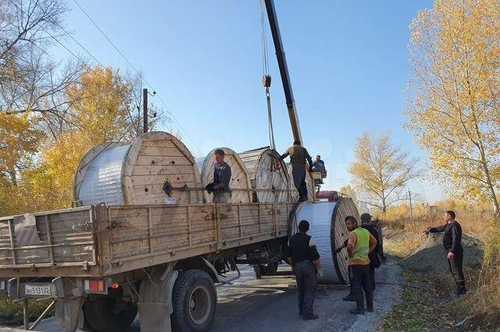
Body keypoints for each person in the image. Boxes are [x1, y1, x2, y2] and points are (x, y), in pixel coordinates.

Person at [426, 210, 467, 295]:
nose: (443, 217)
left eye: (445, 215)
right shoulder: (449, 225)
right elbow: (440, 228)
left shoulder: (455, 225)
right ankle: (459, 289)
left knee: (457, 270)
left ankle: (462, 290)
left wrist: (452, 251)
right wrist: (431, 230)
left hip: (455, 252)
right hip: (450, 251)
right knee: (453, 270)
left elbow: (456, 239)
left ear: (449, 216)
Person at [288, 220, 320, 320]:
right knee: (310, 289)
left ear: (298, 227)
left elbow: (289, 256)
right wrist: (319, 269)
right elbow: (315, 258)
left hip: (297, 266)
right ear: (308, 228)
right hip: (307, 266)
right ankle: (308, 314)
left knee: (301, 289)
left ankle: (301, 311)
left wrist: (293, 266)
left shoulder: (291, 239)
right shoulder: (310, 239)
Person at [345, 215, 377, 315]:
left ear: (355, 223)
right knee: (367, 286)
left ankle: (360, 308)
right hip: (366, 263)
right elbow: (374, 242)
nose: (347, 226)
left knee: (357, 286)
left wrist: (350, 255)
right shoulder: (365, 231)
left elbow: (349, 246)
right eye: (346, 224)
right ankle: (370, 307)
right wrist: (368, 252)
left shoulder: (353, 234)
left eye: (349, 224)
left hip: (355, 264)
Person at [361, 213, 382, 291]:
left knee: (361, 274)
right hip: (371, 255)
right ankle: (371, 288)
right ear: (369, 220)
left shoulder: (357, 230)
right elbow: (377, 244)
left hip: (360, 257)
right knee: (371, 273)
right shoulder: (374, 230)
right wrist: (377, 253)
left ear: (362, 220)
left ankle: (363, 288)